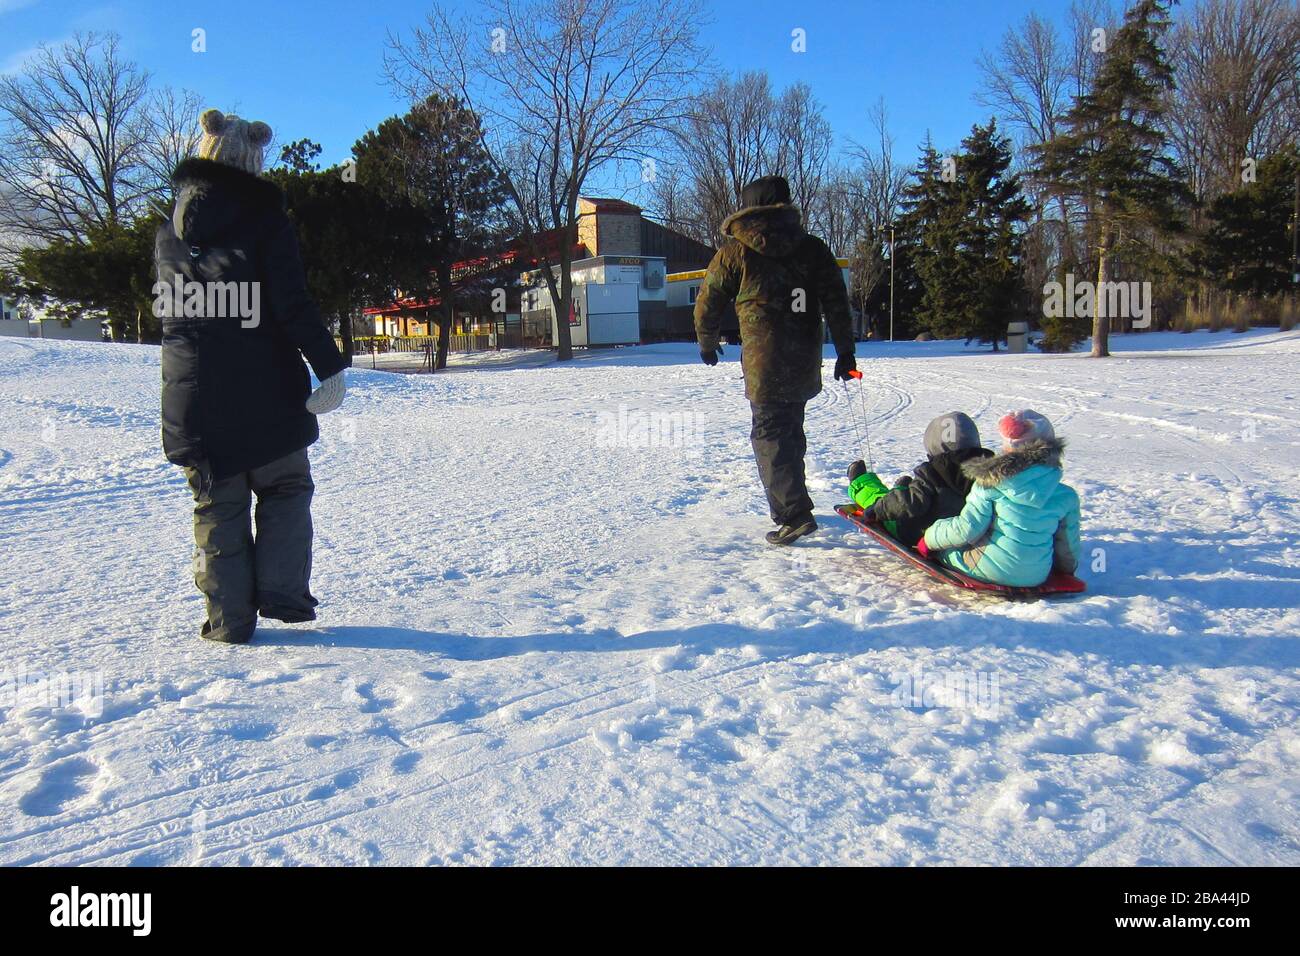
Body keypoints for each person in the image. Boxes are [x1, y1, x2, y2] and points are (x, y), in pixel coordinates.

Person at [156, 109, 349, 644]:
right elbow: (292, 303)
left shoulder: (167, 234)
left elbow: (174, 315)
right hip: (266, 396)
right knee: (285, 487)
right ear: (254, 158)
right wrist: (328, 366)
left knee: (217, 504)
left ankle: (228, 622)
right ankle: (284, 595)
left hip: (192, 401)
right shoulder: (266, 223)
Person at [694, 175, 855, 546]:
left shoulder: (735, 252)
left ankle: (793, 514)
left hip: (763, 361)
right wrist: (845, 350)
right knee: (790, 430)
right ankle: (795, 505)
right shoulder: (813, 249)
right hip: (803, 356)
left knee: (770, 434)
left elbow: (708, 301)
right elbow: (836, 303)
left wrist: (707, 340)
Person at [922, 410, 1081, 588]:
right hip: (1037, 575)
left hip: (988, 571)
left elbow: (967, 529)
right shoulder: (1066, 495)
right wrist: (1065, 571)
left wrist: (929, 538)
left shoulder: (989, 484)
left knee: (946, 551)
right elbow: (1067, 543)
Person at [847, 411, 993, 546]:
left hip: (919, 534)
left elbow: (908, 503)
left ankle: (861, 483)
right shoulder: (992, 472)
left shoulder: (933, 472)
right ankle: (900, 489)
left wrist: (877, 510)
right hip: (970, 536)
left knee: (884, 501)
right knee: (903, 493)